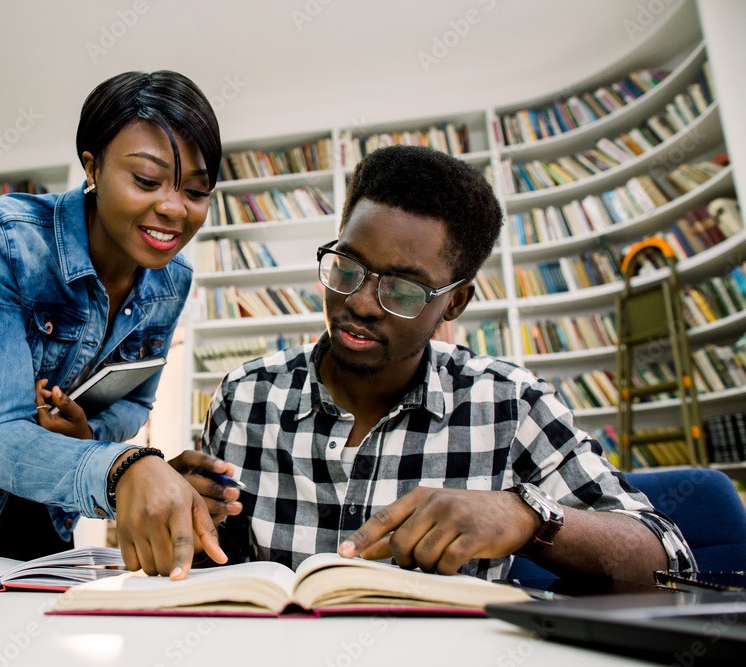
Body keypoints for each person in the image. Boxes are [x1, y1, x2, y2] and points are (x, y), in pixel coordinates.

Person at [201, 145, 695, 583]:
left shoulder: (510, 404)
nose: (363, 302)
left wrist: (527, 518)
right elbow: (215, 570)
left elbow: (669, 563)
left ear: (455, 303)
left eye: (404, 288)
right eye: (348, 267)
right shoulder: (246, 396)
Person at [0, 70, 239, 580]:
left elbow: (133, 401)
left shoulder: (173, 280)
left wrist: (90, 433)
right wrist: (122, 468)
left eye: (195, 190)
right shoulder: (3, 239)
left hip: (44, 494)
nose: (173, 208)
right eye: (147, 181)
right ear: (92, 166)